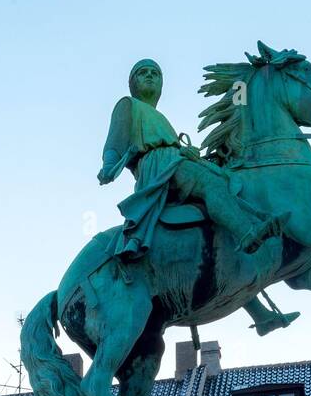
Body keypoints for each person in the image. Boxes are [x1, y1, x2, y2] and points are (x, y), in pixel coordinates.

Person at [99, 59, 287, 260]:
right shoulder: (128, 104)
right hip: (158, 165)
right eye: (143, 73)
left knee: (226, 176)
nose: (149, 76)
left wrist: (185, 151)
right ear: (132, 83)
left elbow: (171, 146)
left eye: (155, 73)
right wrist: (109, 165)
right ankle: (247, 233)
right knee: (209, 183)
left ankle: (255, 220)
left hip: (174, 161)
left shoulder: (159, 116)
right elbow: (115, 141)